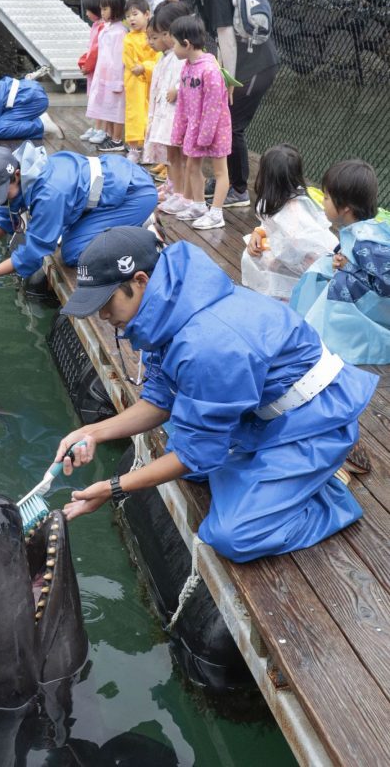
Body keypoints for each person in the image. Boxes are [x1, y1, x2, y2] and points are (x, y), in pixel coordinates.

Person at [54, 226, 378, 564]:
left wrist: (113, 488)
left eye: (106, 303)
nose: (103, 317)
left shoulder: (205, 344)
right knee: (182, 447)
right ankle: (279, 475)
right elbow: (160, 400)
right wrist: (90, 432)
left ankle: (329, 492)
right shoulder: (166, 307)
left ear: (139, 281)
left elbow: (196, 455)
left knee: (233, 536)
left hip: (313, 417)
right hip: (263, 410)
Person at [0, 144, 157, 288]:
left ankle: (139, 237)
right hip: (110, 184)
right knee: (68, 243)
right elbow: (3, 217)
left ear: (16, 175)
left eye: (0, 192)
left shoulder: (49, 193)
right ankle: (128, 226)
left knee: (74, 253)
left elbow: (33, 253)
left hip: (133, 193)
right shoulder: (21, 172)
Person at [290, 160, 390, 365]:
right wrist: (341, 260)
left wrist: (349, 268)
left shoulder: (367, 242)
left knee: (341, 282)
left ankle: (329, 335)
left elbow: (384, 285)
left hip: (382, 308)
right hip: (371, 292)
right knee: (323, 265)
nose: (323, 201)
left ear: (345, 207)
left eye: (326, 197)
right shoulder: (362, 229)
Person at [196, 0, 279, 208]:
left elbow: (225, 34)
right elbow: (221, 37)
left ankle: (239, 189)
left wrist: (229, 80)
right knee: (227, 123)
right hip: (246, 64)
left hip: (256, 66)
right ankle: (230, 180)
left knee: (232, 126)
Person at [241, 144, 336, 301]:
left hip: (313, 262)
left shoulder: (296, 210)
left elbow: (296, 250)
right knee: (253, 254)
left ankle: (285, 298)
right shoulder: (276, 199)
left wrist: (269, 246)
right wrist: (258, 232)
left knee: (261, 259)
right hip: (295, 252)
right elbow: (270, 226)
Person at [163, 15, 231, 230]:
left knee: (220, 172)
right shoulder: (187, 67)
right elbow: (183, 101)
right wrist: (180, 129)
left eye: (174, 43)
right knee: (192, 165)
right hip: (194, 127)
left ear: (186, 44)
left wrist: (205, 136)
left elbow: (214, 108)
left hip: (214, 130)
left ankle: (216, 213)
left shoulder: (210, 70)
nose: (172, 47)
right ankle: (199, 205)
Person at [144, 0, 191, 203]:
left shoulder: (184, 56)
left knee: (182, 157)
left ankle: (183, 193)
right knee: (172, 157)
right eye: (162, 34)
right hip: (166, 114)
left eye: (166, 33)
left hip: (177, 115)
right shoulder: (168, 57)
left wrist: (179, 90)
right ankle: (174, 188)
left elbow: (192, 80)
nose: (165, 38)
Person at [86, 0, 127, 152]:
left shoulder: (120, 32)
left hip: (115, 78)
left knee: (116, 109)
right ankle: (110, 136)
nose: (101, 12)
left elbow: (118, 60)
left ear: (115, 9)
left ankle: (117, 139)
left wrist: (117, 81)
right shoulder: (106, 29)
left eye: (105, 9)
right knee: (106, 108)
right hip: (104, 76)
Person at [122, 0, 160, 163]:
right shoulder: (128, 38)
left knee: (152, 115)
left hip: (151, 81)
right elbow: (129, 60)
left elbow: (158, 57)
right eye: (128, 16)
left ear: (147, 14)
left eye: (135, 14)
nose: (131, 19)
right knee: (135, 115)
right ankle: (134, 149)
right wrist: (139, 68)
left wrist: (145, 67)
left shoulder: (153, 36)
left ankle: (149, 150)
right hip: (135, 82)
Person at [78, 0, 107, 142]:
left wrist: (87, 65)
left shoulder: (102, 27)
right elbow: (91, 49)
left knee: (99, 99)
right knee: (95, 100)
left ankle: (102, 129)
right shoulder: (96, 25)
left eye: (89, 10)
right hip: (93, 70)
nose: (87, 13)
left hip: (98, 70)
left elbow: (96, 50)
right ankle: (97, 127)